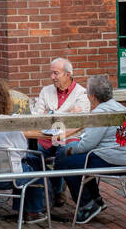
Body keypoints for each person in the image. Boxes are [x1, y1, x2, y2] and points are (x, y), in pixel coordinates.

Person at [53, 74, 126, 223]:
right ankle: (94, 199)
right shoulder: (119, 107)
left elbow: (86, 145)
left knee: (68, 160)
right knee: (71, 157)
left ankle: (86, 204)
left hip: (115, 160)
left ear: (92, 96)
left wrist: (69, 149)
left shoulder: (100, 113)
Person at [0, 78, 45, 222]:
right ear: (5, 100)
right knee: (35, 162)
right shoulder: (9, 123)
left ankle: (25, 208)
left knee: (25, 163)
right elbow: (22, 151)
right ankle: (32, 211)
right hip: (9, 179)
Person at [31, 57, 92, 209]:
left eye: (56, 73)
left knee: (63, 153)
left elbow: (78, 122)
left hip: (69, 137)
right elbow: (37, 116)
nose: (52, 77)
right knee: (33, 155)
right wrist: (66, 112)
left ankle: (56, 192)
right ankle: (39, 197)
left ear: (68, 74)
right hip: (45, 138)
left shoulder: (82, 94)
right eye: (51, 73)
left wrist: (50, 113)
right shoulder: (46, 91)